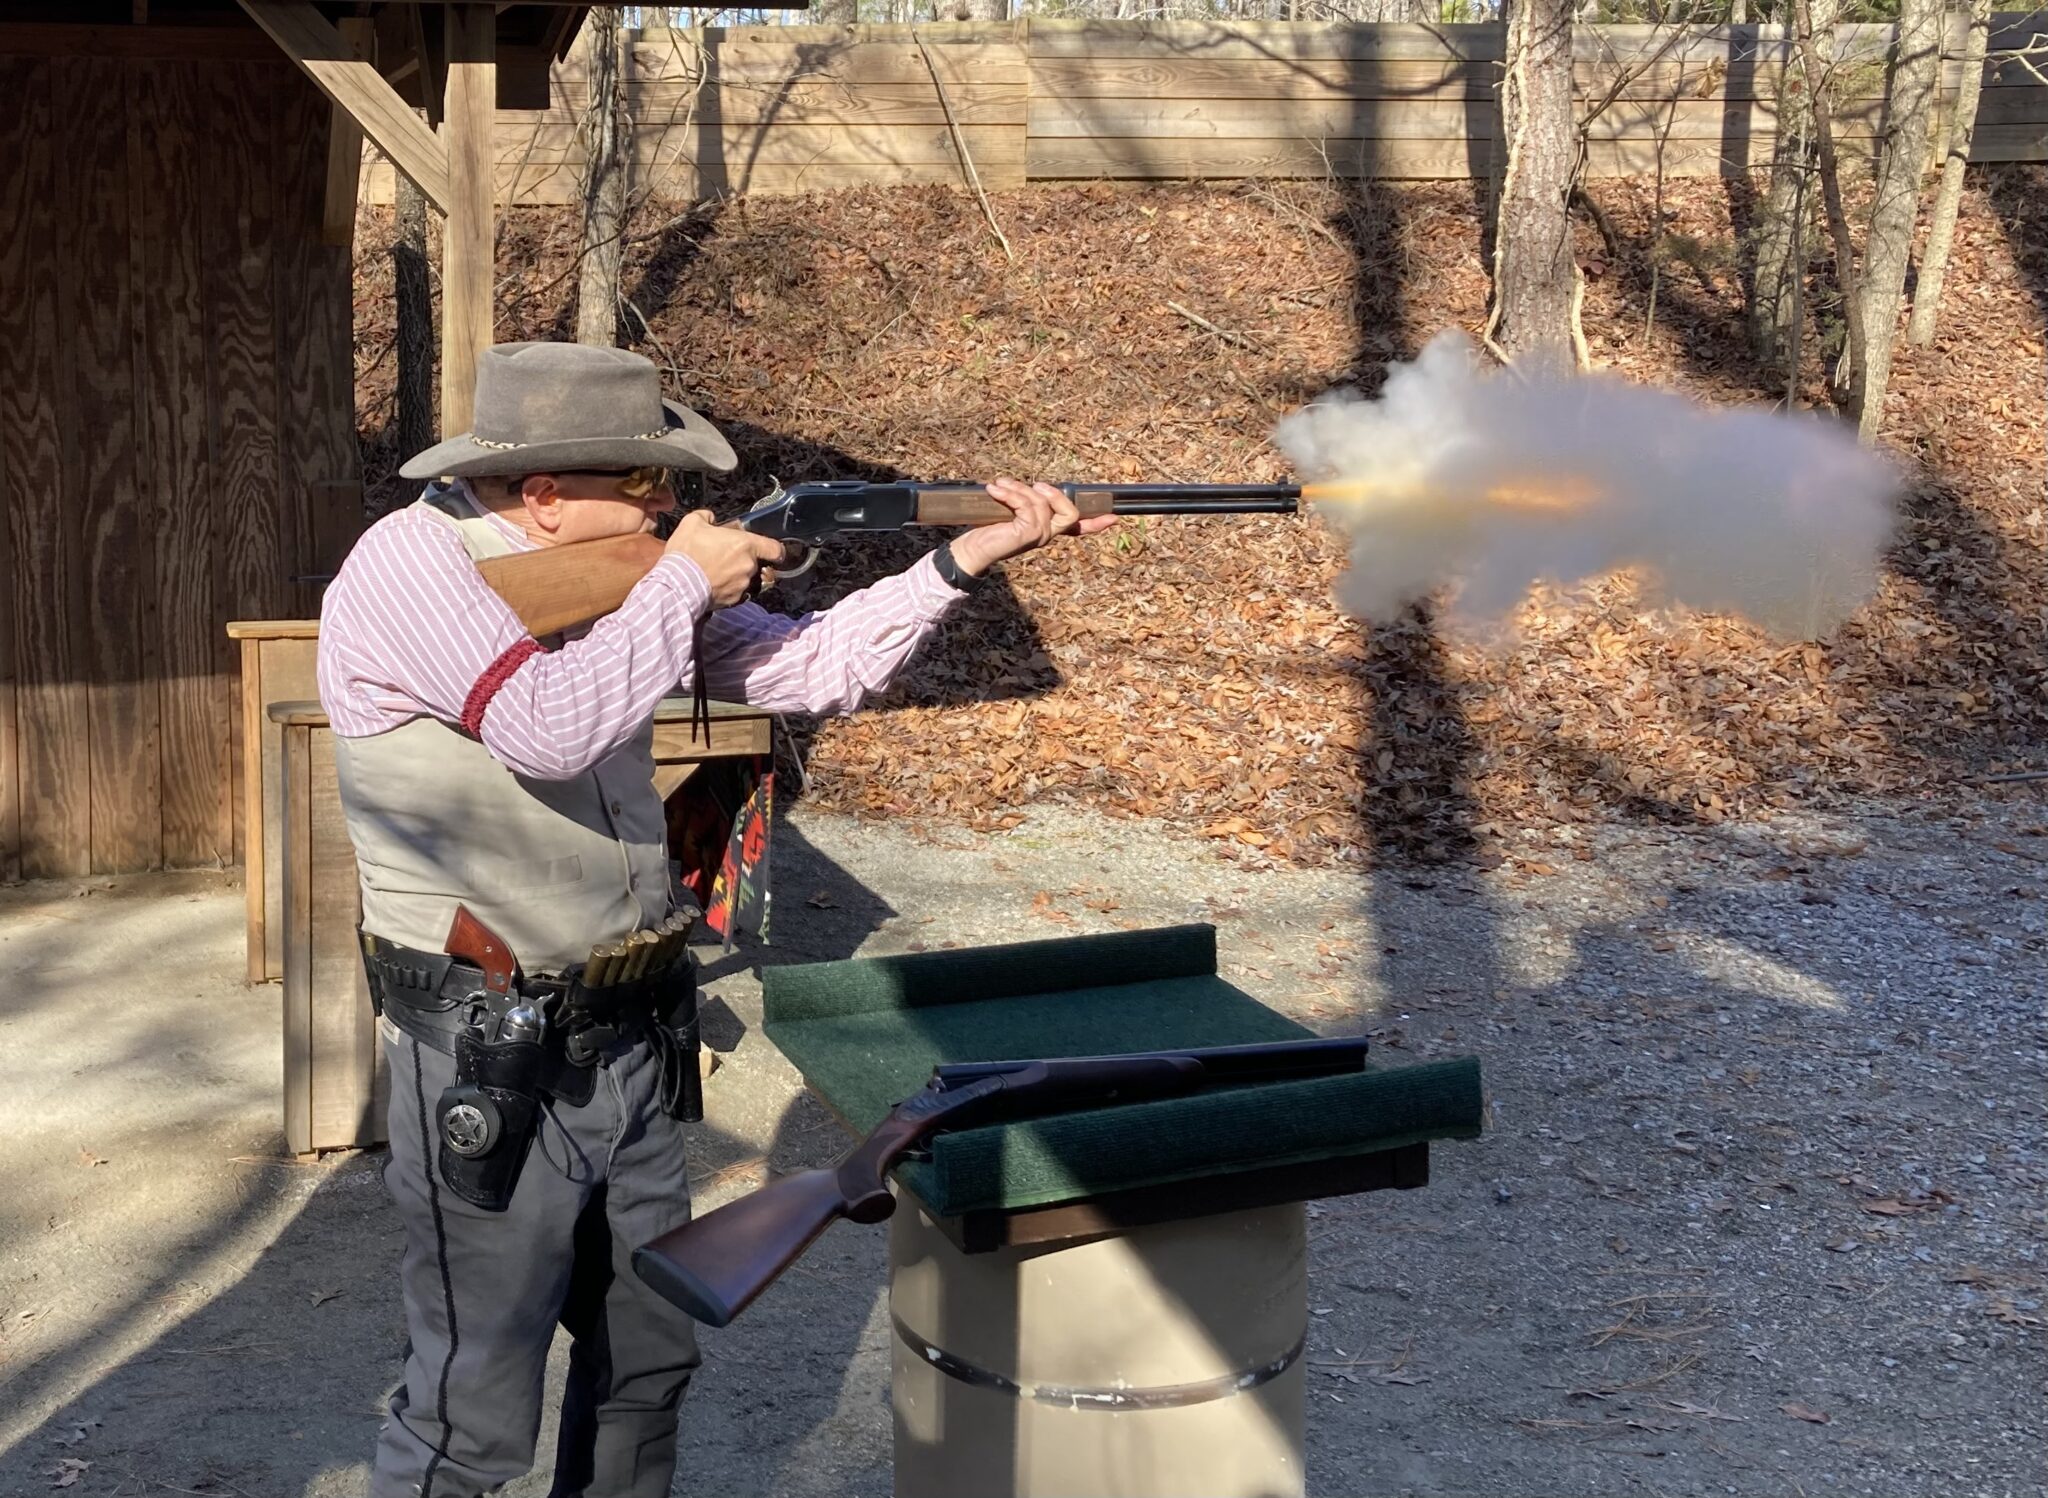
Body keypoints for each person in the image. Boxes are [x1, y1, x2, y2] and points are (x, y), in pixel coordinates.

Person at [317, 340, 1111, 1497]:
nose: (669, 507)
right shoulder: (408, 568)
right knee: (471, 1409)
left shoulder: (627, 576)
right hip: (484, 1045)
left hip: (629, 1032)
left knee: (648, 1359)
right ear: (540, 495)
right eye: (642, 486)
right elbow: (544, 728)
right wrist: (679, 579)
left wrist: (964, 556)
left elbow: (808, 673)